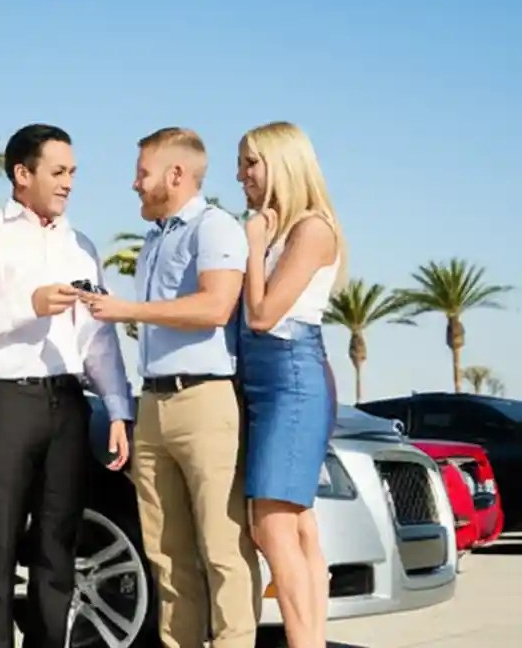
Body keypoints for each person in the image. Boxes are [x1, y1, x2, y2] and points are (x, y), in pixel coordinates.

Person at [0, 123, 135, 648]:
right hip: (4, 401)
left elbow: (99, 341)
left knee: (59, 542)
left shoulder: (82, 246)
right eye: (58, 171)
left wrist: (118, 408)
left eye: (73, 172)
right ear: (22, 175)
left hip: (69, 403)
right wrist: (26, 305)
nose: (69, 182)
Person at [82, 127, 262, 648]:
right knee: (165, 553)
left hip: (206, 402)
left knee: (223, 548)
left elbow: (214, 307)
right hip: (154, 403)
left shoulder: (215, 228)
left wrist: (127, 310)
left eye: (142, 172)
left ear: (175, 174)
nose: (134, 184)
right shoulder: (156, 239)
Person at [235, 120, 344, 648]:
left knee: (273, 526)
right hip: (263, 380)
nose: (242, 176)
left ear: (282, 163)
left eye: (250, 163)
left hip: (293, 379)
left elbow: (262, 314)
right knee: (297, 526)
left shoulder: (311, 229)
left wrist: (253, 243)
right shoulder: (280, 228)